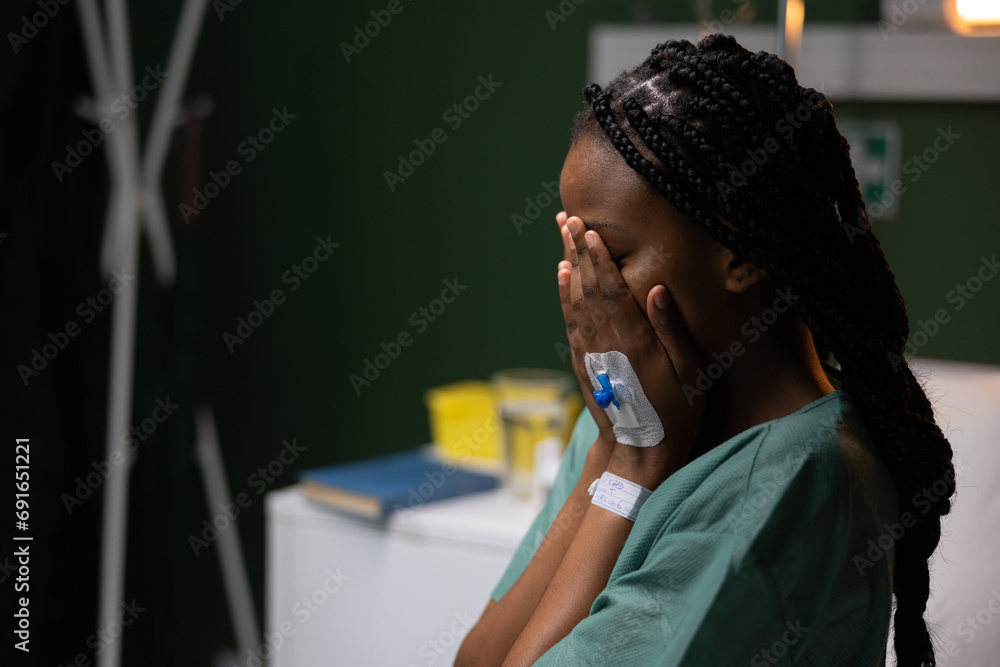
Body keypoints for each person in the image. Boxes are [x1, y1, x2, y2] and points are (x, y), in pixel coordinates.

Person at [454, 34, 956, 667]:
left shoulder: (791, 480)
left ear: (740, 254)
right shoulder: (628, 423)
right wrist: (614, 454)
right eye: (575, 250)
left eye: (613, 253)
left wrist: (637, 468)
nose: (587, 284)